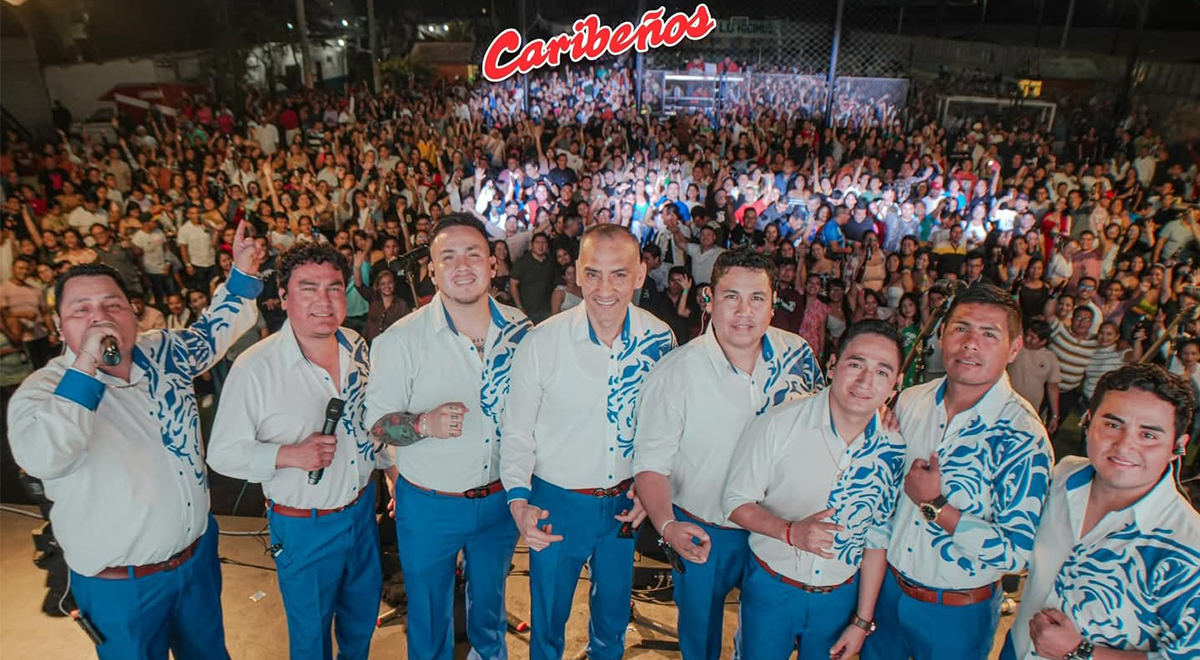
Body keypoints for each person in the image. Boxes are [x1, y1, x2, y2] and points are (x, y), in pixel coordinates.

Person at [6, 221, 265, 660]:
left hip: (196, 561)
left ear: (133, 312)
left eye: (113, 304)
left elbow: (212, 334)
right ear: (58, 327)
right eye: (81, 310)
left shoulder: (164, 351)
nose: (100, 317)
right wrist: (88, 364)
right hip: (120, 586)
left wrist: (242, 271)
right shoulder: (41, 392)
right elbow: (46, 456)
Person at [634, 248, 823, 660]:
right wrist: (667, 525)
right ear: (709, 298)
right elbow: (650, 465)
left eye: (757, 298)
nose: (744, 311)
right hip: (706, 530)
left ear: (773, 303)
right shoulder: (676, 372)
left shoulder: (797, 355)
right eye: (731, 296)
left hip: (777, 529)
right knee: (700, 636)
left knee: (764, 641)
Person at [207, 243, 392, 660]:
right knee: (310, 637)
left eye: (334, 288)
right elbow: (221, 454)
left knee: (361, 620)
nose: (324, 301)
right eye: (308, 288)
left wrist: (389, 468)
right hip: (304, 526)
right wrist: (291, 455)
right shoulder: (256, 367)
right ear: (283, 297)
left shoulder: (355, 345)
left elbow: (366, 420)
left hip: (362, 511)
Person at [501, 224, 675, 660]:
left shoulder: (660, 340)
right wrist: (518, 501)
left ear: (640, 274)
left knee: (612, 623)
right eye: (593, 273)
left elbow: (666, 427)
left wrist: (651, 488)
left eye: (619, 274)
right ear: (577, 272)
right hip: (556, 503)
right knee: (548, 622)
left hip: (624, 503)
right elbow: (517, 431)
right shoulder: (542, 342)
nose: (604, 288)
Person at [365, 214, 532, 660]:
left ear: (493, 263)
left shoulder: (521, 330)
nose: (462, 266)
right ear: (432, 270)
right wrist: (424, 425)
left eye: (473, 254)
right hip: (429, 505)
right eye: (448, 257)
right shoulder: (400, 340)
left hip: (500, 499)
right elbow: (376, 426)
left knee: (490, 610)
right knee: (428, 614)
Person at [862, 283, 1054, 660]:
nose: (970, 344)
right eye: (961, 328)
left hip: (957, 612)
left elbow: (1016, 553)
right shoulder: (912, 402)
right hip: (888, 592)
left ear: (1014, 348)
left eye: (989, 334)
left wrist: (936, 506)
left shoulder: (1023, 436)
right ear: (942, 334)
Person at [725, 320, 907, 660]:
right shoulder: (779, 425)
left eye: (882, 372)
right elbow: (735, 502)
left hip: (839, 597)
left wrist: (862, 621)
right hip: (773, 587)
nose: (866, 382)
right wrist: (790, 531)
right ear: (832, 365)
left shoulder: (894, 448)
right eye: (856, 364)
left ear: (896, 385)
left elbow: (877, 538)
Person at [1003, 364, 1200, 660]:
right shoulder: (1063, 477)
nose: (1124, 446)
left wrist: (1081, 652)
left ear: (1178, 447)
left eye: (1148, 435)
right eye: (1113, 425)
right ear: (1087, 421)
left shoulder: (1188, 547)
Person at [1006, 319, 1063, 434]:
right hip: (1006, 402)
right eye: (1027, 335)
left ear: (1043, 341)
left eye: (1033, 337)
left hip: (1030, 409)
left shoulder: (1050, 358)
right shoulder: (1016, 347)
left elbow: (1052, 387)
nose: (1028, 339)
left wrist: (1055, 416)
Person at [510, 232, 556, 324]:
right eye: (537, 242)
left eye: (544, 243)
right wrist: (519, 307)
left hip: (547, 310)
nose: (541, 246)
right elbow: (513, 285)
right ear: (532, 244)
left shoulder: (551, 262)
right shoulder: (522, 262)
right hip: (527, 311)